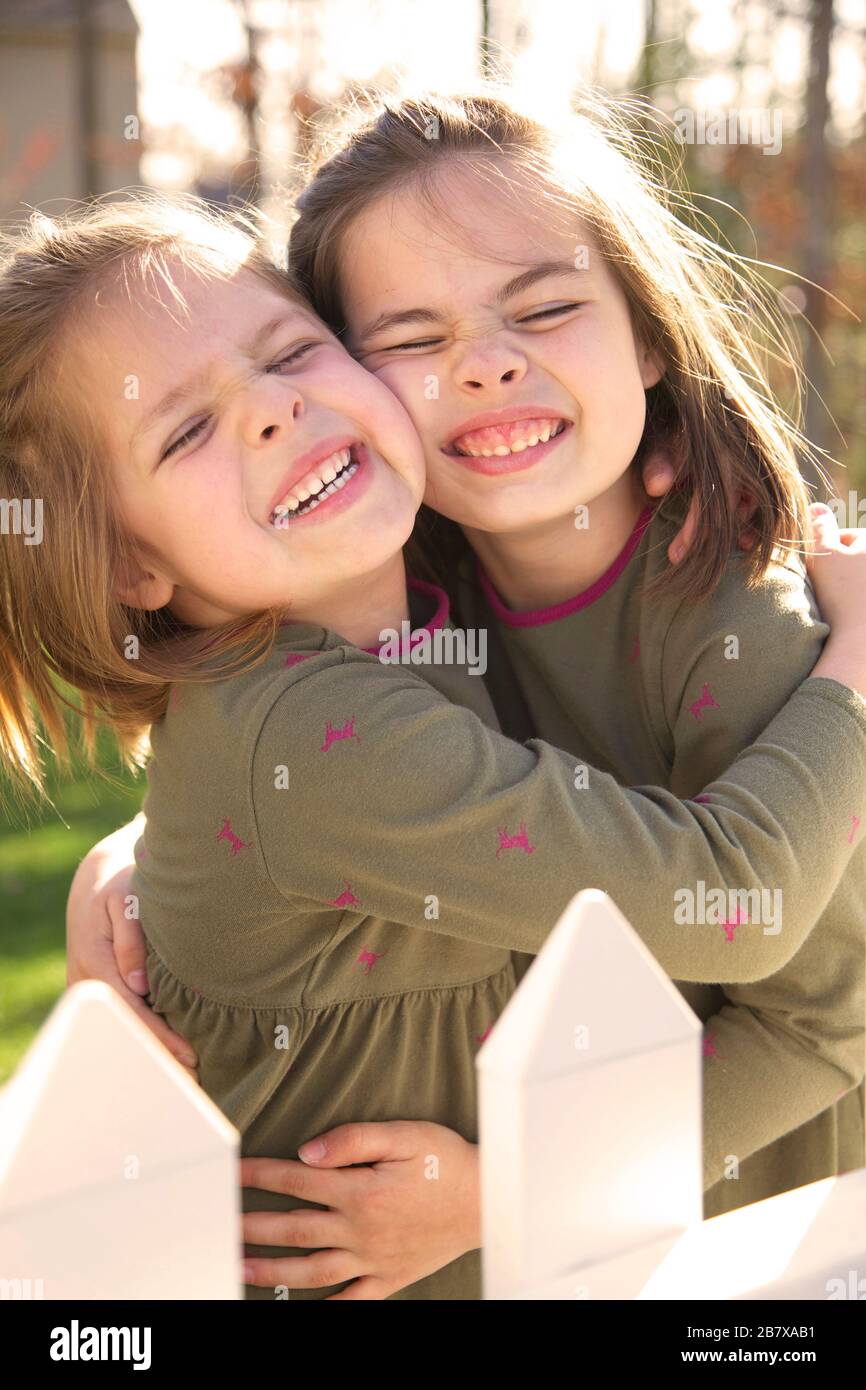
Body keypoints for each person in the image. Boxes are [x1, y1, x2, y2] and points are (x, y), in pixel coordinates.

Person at [30, 196, 862, 1302]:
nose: (272, 411)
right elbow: (732, 897)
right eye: (183, 432)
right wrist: (857, 663)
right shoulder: (307, 729)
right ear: (130, 567)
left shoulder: (416, 607)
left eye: (289, 354)